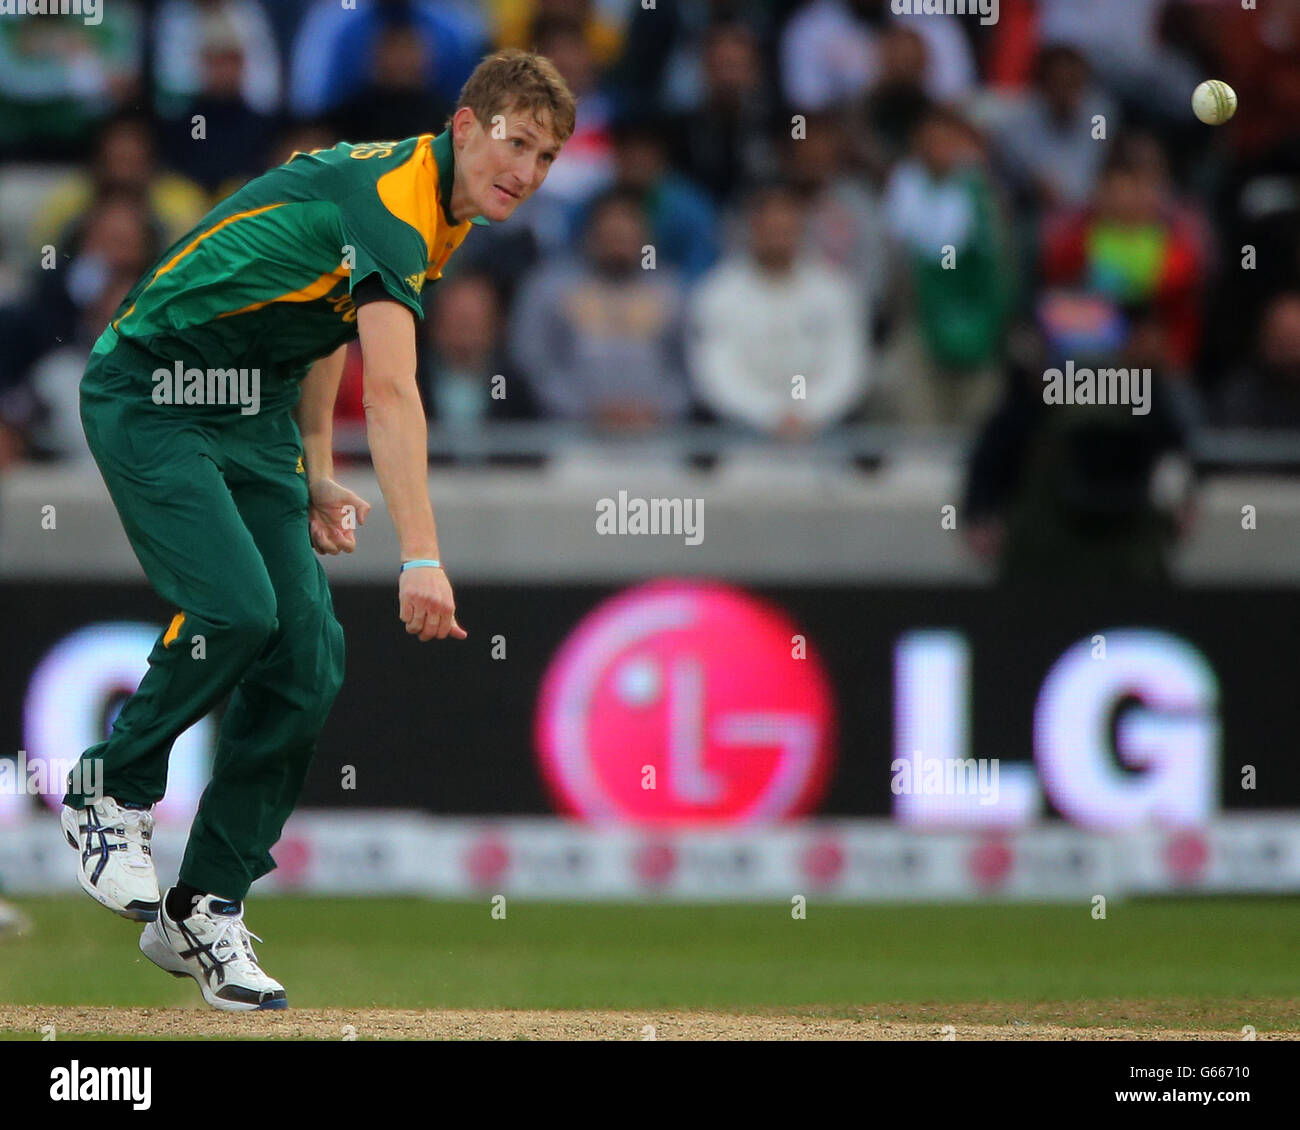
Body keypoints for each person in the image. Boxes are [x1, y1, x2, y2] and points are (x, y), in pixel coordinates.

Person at [58, 49, 574, 1012]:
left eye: (546, 158)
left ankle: (204, 906)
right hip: (153, 389)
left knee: (308, 659)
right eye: (516, 144)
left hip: (251, 409)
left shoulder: (443, 208)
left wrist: (315, 469)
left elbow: (326, 324)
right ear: (466, 127)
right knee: (236, 607)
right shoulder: (393, 198)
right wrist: (421, 557)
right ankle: (108, 790)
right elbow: (391, 388)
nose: (528, 171)